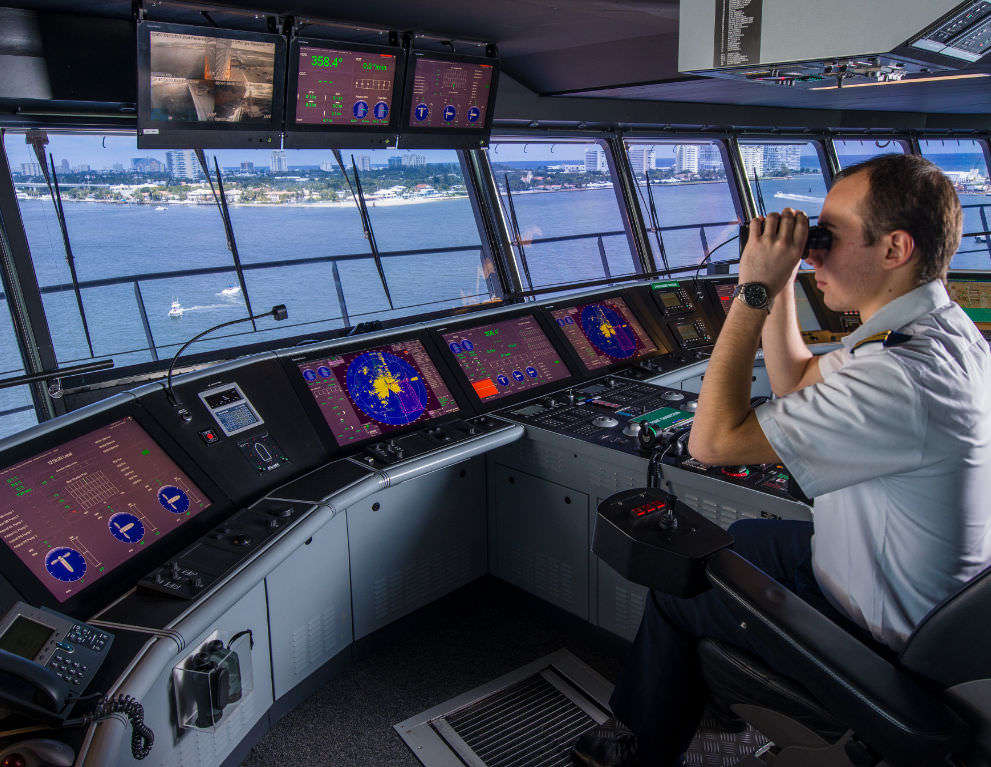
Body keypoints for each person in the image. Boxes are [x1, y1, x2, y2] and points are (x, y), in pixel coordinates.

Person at [572, 153, 991, 767]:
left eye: (828, 236)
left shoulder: (899, 378)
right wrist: (786, 280)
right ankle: (704, 702)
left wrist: (754, 291)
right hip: (926, 597)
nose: (813, 252)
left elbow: (710, 442)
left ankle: (635, 750)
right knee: (738, 537)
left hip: (886, 636)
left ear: (895, 248)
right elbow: (795, 380)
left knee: (678, 579)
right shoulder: (934, 332)